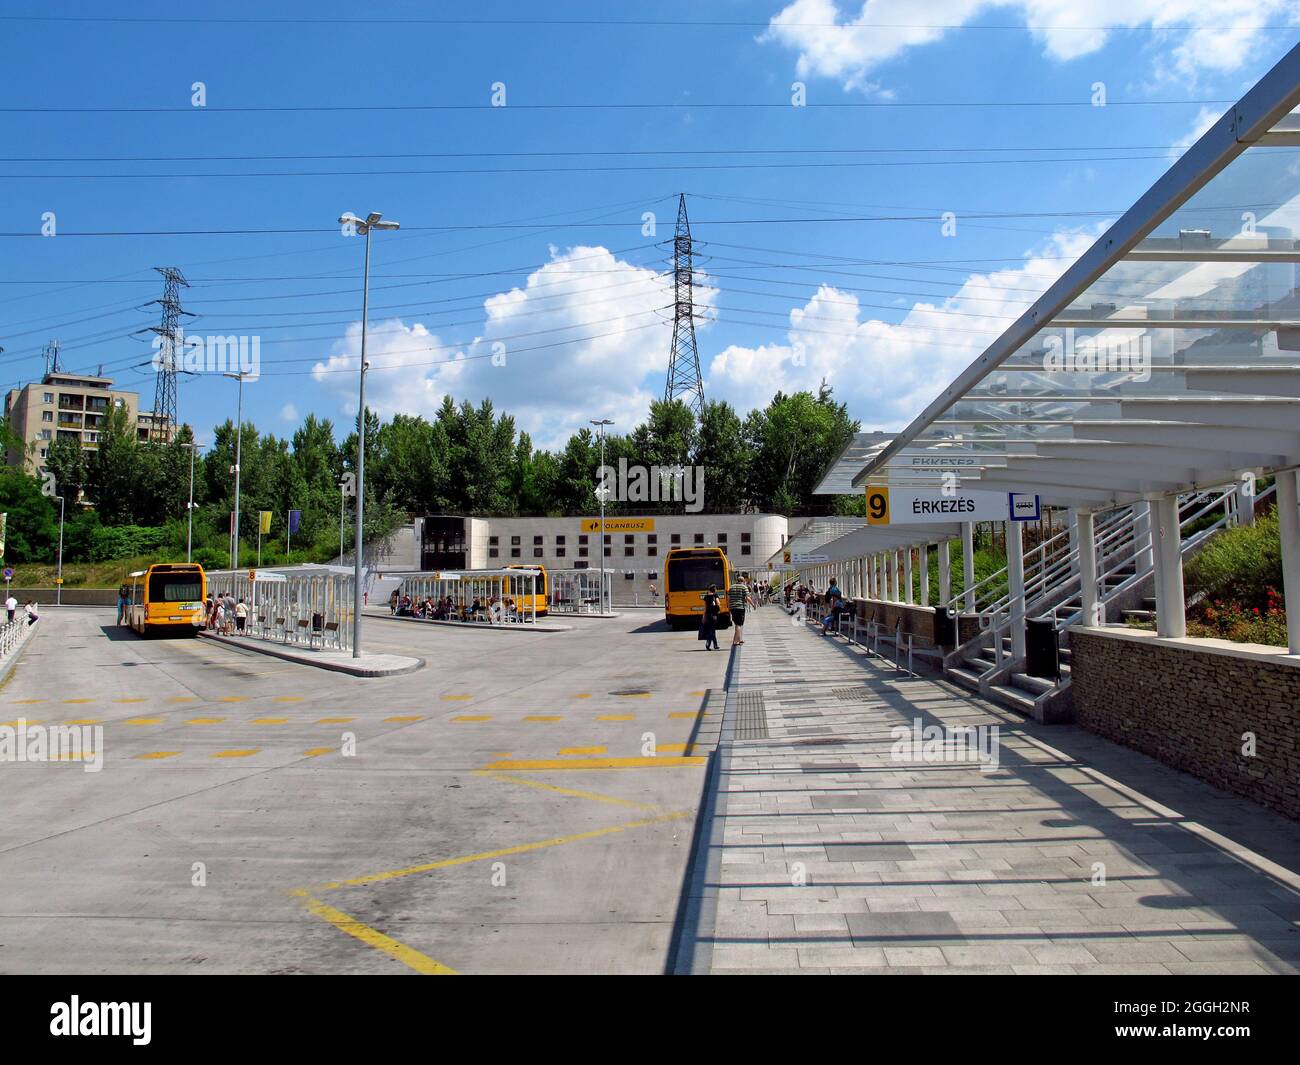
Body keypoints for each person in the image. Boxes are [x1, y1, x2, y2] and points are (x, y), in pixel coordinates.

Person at [729, 575, 756, 647]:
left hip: (732, 607)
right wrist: (753, 605)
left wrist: (728, 606)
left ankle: (739, 639)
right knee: (739, 624)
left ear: (737, 580)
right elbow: (747, 597)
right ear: (743, 581)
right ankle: (735, 641)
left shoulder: (731, 587)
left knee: (737, 624)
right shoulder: (744, 587)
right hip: (740, 607)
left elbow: (728, 598)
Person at [698, 584, 721, 651]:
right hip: (713, 614)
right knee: (712, 630)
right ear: (715, 590)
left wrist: (703, 617)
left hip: (708, 615)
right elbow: (718, 603)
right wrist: (718, 609)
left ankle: (715, 645)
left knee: (711, 629)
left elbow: (705, 608)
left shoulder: (706, 597)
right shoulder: (715, 595)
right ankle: (708, 643)